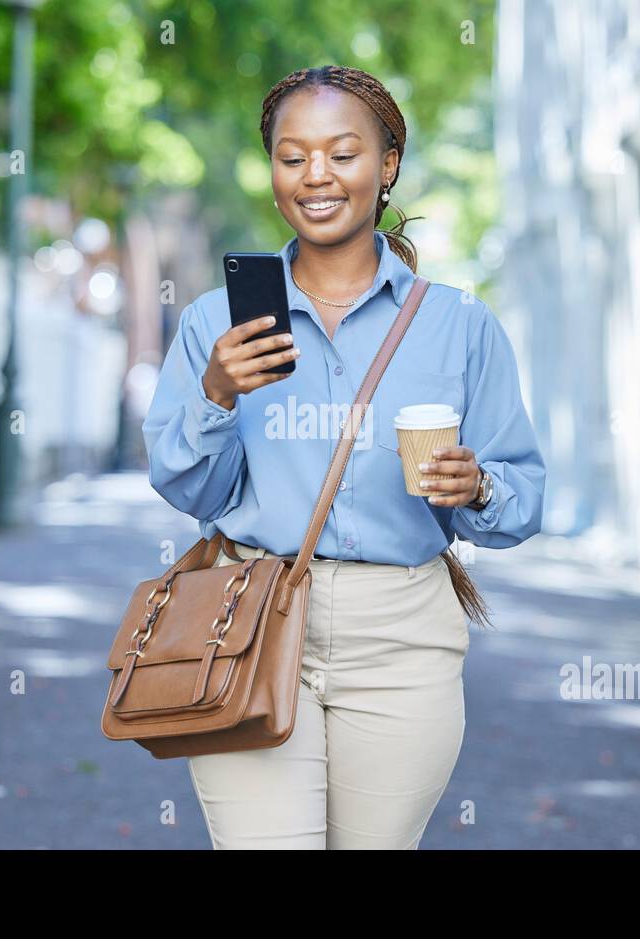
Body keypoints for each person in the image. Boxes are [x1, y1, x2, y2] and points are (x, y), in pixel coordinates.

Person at [142, 65, 547, 849]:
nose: (316, 176)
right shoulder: (215, 324)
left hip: (402, 636)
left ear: (387, 164)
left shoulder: (459, 326)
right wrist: (218, 394)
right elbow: (192, 486)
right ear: (272, 174)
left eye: (342, 153)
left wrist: (478, 486)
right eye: (292, 158)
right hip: (251, 621)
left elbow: (523, 501)